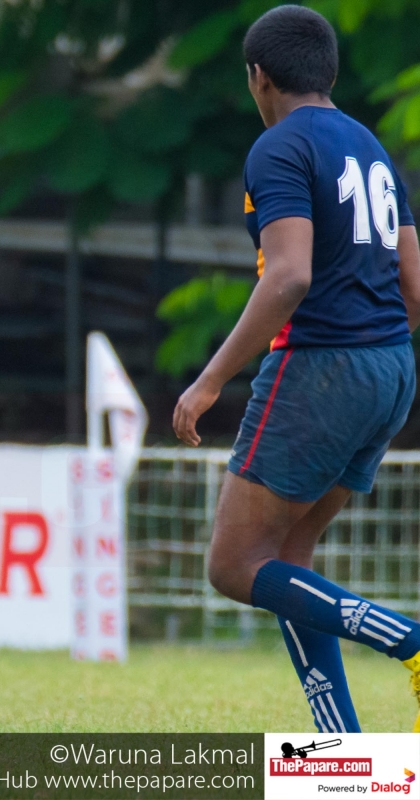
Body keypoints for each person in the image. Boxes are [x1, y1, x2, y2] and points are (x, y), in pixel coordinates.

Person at [173, 5, 420, 733]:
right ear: (330, 72)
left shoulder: (280, 146)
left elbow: (287, 278)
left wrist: (210, 378)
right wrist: (373, 351)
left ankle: (409, 639)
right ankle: (340, 750)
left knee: (232, 567)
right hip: (392, 368)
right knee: (287, 561)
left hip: (322, 368)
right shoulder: (371, 147)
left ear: (259, 77)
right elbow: (415, 288)